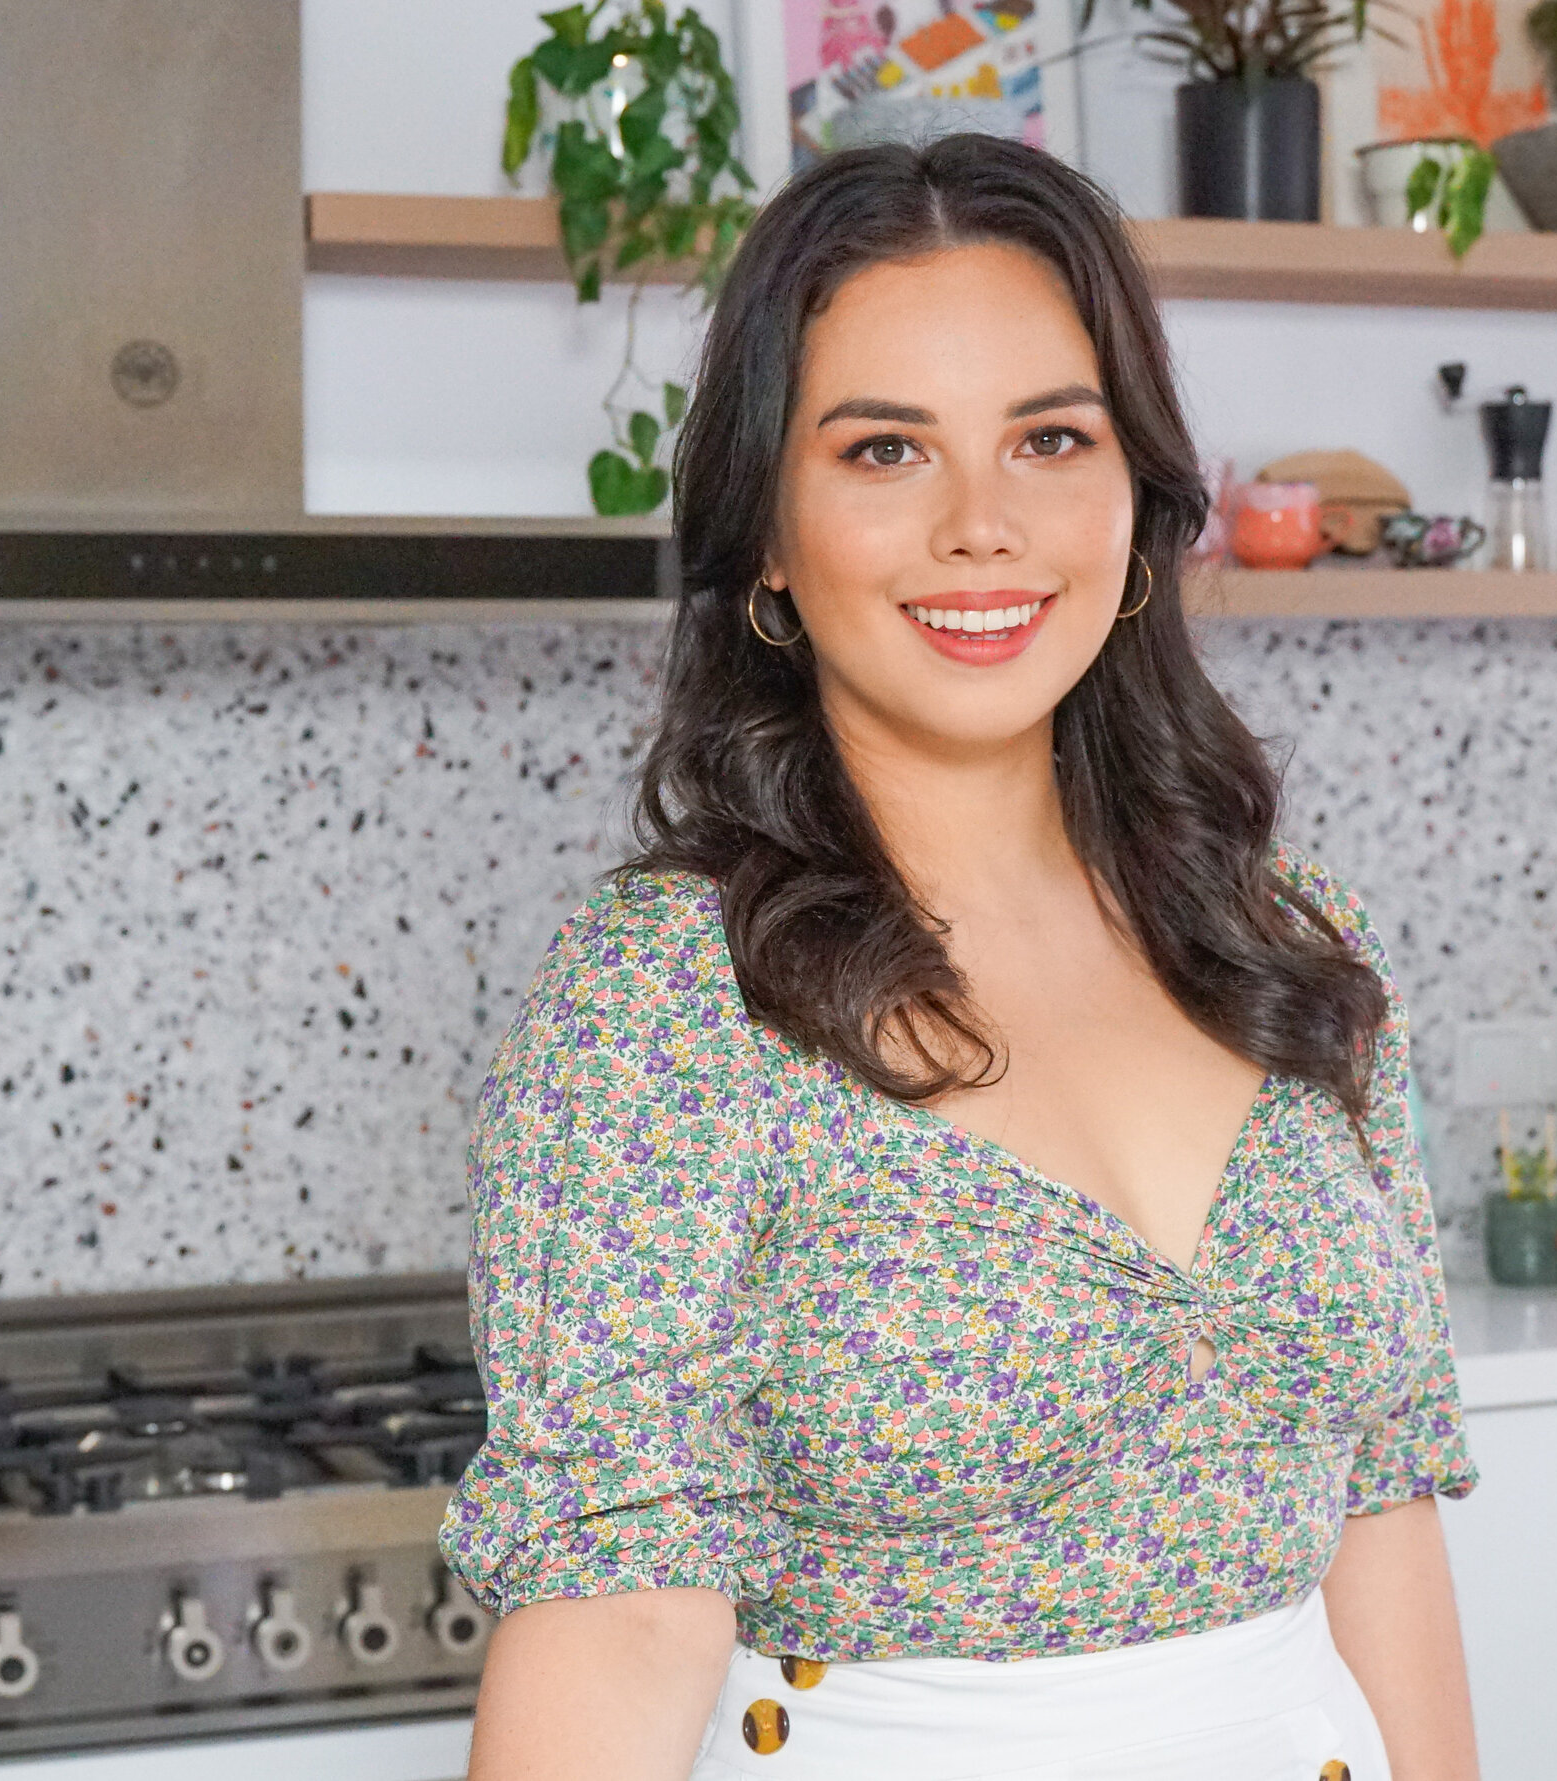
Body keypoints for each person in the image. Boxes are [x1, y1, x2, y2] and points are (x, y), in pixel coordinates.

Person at [441, 133, 1480, 1781]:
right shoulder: (668, 996)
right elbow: (617, 1615)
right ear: (767, 533)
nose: (982, 526)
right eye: (885, 451)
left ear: (1138, 498)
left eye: (1050, 439)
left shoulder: (1289, 938)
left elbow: (1383, 1509)